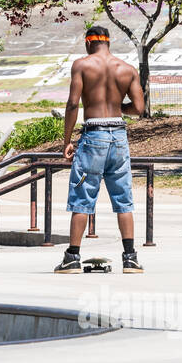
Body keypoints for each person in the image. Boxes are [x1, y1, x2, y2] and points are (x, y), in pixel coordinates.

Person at [55, 25, 146, 273]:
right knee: (123, 199)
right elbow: (139, 108)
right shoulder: (127, 69)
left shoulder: (82, 65)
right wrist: (117, 107)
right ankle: (130, 258)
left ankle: (72, 257)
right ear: (109, 42)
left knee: (82, 198)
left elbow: (73, 104)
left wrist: (67, 141)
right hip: (118, 137)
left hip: (93, 135)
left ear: (88, 43)